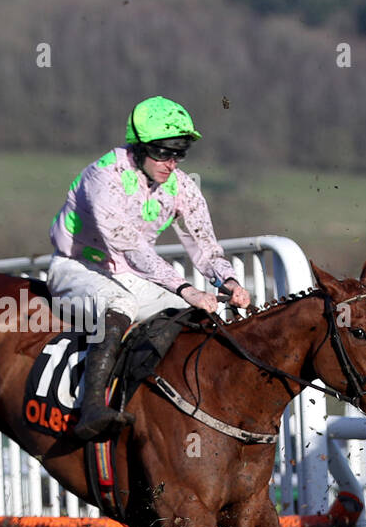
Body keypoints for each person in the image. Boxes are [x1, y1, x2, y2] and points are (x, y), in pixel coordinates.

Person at [48, 96, 252, 440]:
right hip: (76, 268)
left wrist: (228, 281)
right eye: (162, 153)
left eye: (179, 154)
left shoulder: (182, 187)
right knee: (122, 305)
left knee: (190, 313)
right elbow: (129, 245)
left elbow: (204, 245)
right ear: (139, 147)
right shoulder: (103, 176)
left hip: (128, 274)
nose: (171, 163)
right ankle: (92, 407)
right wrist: (185, 287)